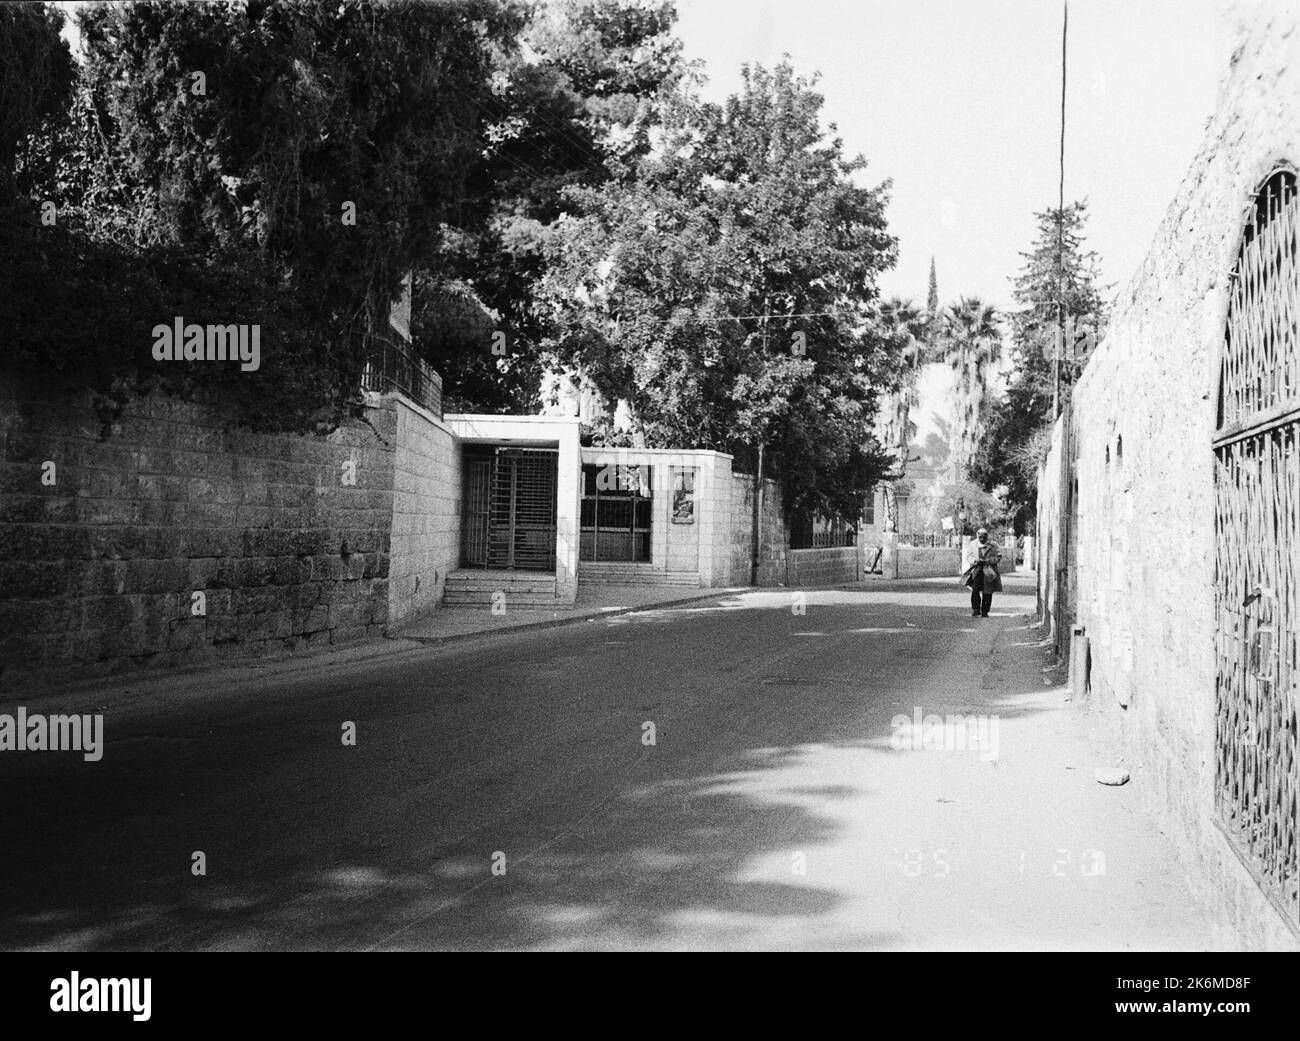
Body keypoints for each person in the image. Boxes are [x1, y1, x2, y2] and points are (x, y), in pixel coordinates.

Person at [962, 527, 1002, 617]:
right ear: (977, 536)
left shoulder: (993, 545)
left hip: (989, 571)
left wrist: (989, 561)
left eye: (984, 537)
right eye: (980, 537)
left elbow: (998, 556)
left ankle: (985, 611)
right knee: (975, 589)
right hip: (977, 570)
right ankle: (976, 609)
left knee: (987, 591)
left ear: (987, 537)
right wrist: (975, 561)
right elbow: (968, 556)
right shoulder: (972, 544)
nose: (982, 539)